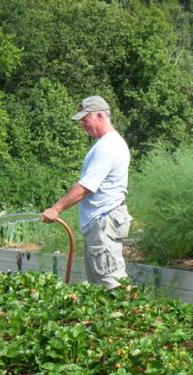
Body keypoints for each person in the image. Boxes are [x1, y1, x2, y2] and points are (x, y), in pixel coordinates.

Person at [42, 95, 132, 289]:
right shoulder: (107, 144)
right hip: (101, 223)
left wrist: (56, 208)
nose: (83, 124)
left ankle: (129, 317)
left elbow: (85, 187)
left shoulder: (107, 148)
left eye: (85, 119)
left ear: (100, 115)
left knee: (112, 283)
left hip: (104, 223)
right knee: (99, 287)